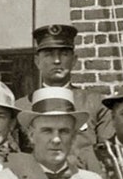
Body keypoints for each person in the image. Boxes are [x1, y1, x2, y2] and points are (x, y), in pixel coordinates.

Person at [15, 23, 105, 159]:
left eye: (64, 54)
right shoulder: (21, 107)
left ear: (74, 60)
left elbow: (107, 152)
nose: (57, 60)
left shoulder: (94, 103)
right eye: (49, 54)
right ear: (37, 61)